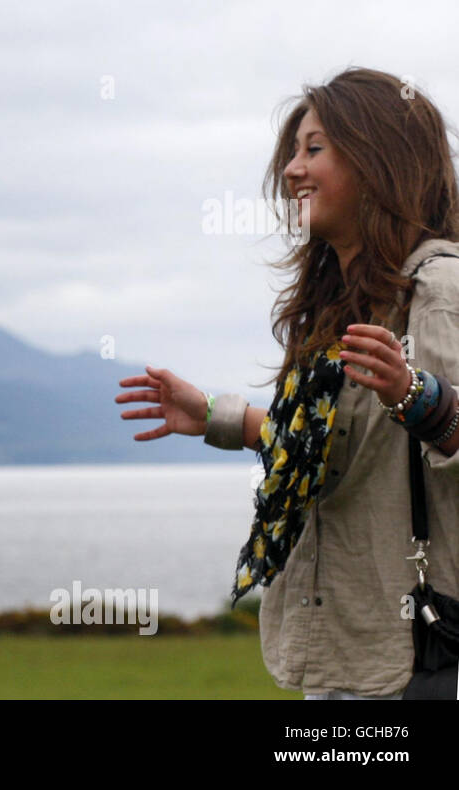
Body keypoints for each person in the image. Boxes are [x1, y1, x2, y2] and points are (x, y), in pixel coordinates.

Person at [115, 68, 459, 699]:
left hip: (414, 661)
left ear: (381, 158)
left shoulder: (438, 292)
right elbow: (343, 453)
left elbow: (441, 428)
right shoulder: (339, 301)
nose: (292, 170)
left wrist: (419, 398)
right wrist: (220, 417)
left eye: (314, 149)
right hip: (341, 657)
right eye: (292, 153)